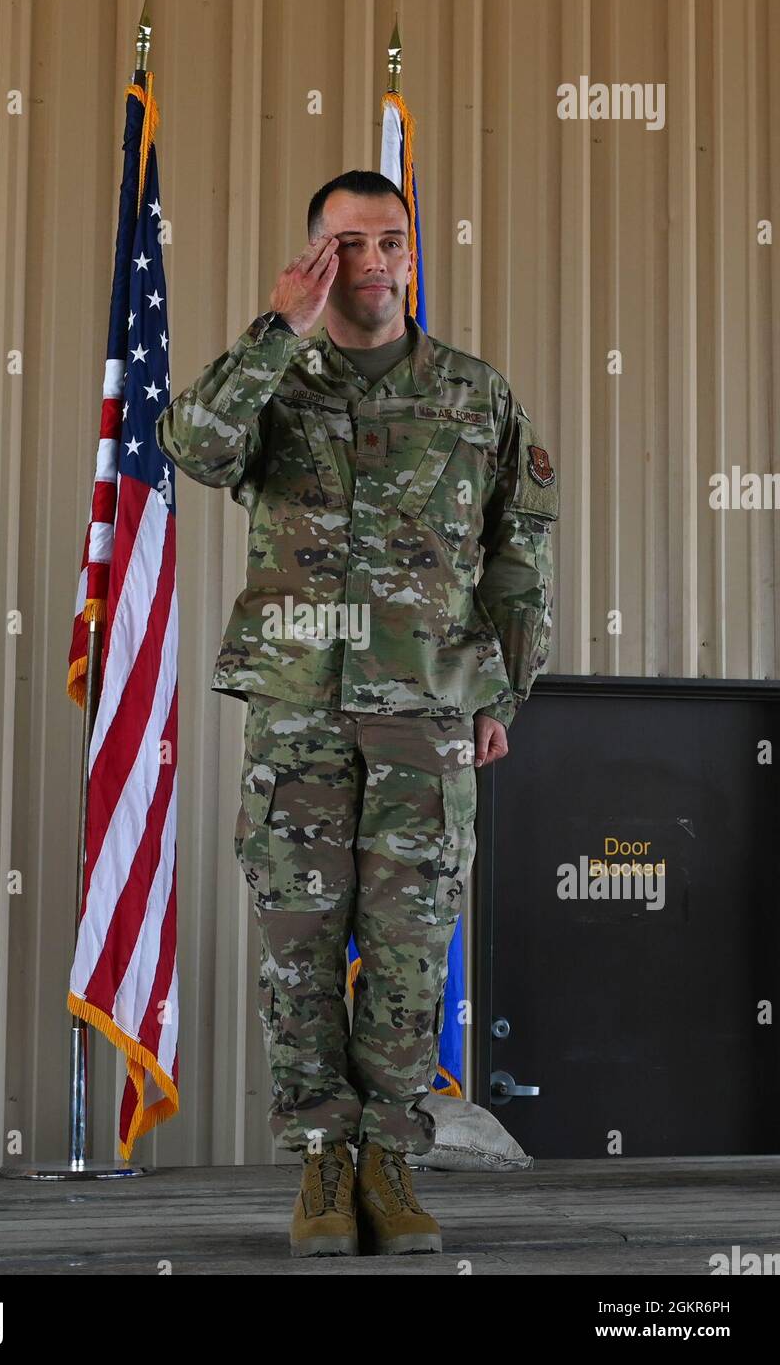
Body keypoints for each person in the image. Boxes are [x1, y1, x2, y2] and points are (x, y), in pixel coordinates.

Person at [157, 169, 559, 1257]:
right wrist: (273, 329)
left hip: (426, 714)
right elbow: (189, 446)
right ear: (313, 258)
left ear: (413, 252)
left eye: (391, 241)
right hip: (298, 708)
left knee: (411, 943)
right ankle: (323, 1166)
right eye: (347, 245)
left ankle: (389, 1158)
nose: (373, 262)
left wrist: (500, 694)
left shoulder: (475, 395)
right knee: (297, 942)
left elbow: (519, 560)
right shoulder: (273, 380)